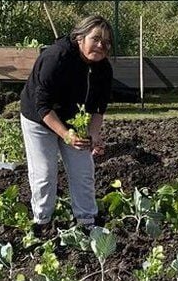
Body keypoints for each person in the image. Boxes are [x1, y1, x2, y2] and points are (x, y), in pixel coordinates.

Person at [20, 14, 114, 235]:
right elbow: (42, 105)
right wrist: (65, 134)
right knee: (44, 173)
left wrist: (92, 135)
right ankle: (42, 223)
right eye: (96, 39)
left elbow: (98, 108)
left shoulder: (103, 69)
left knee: (83, 171)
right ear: (80, 37)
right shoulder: (56, 58)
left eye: (106, 42)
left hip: (74, 121)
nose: (101, 45)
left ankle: (87, 222)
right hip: (39, 119)